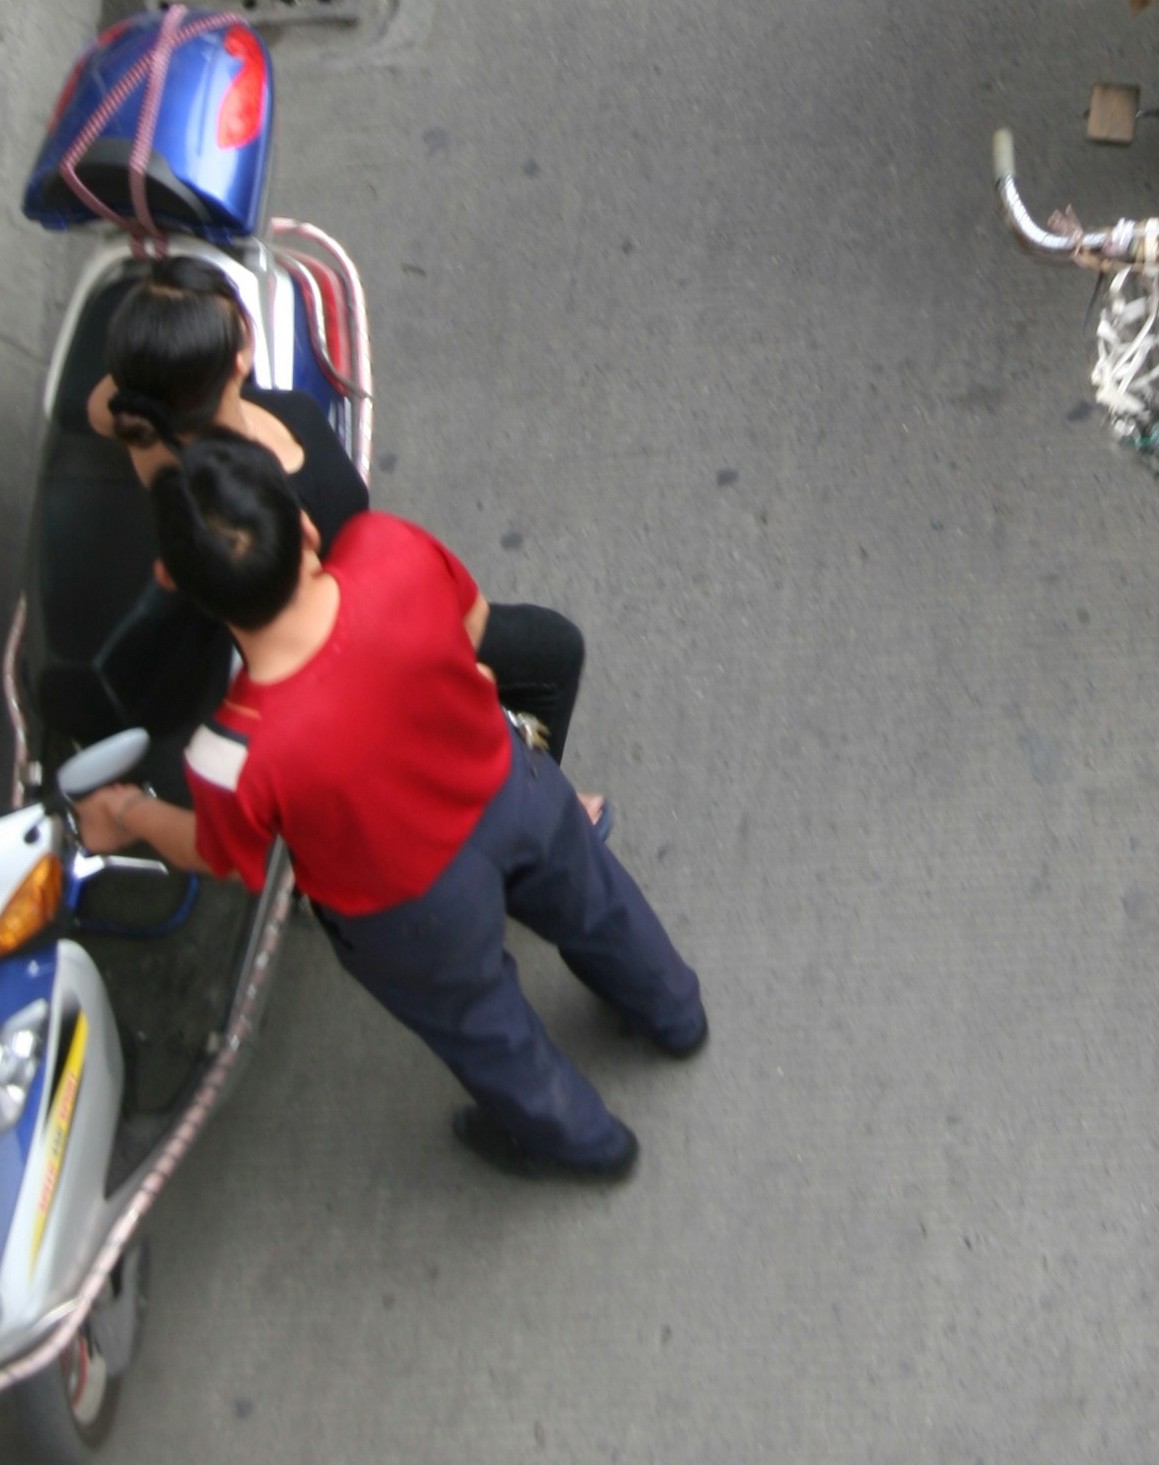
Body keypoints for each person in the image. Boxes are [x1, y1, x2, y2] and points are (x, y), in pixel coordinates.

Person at [73, 435, 705, 1181]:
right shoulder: (388, 547)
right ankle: (672, 1011)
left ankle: (583, 1142)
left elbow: (218, 854)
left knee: (481, 1024)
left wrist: (127, 815)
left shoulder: (229, 751)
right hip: (514, 790)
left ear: (174, 580)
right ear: (305, 529)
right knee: (597, 902)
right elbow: (471, 630)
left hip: (410, 910)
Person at [90, 255, 590, 774]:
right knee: (555, 649)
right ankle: (541, 789)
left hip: (356, 600)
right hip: (366, 632)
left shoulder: (156, 435)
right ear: (237, 361)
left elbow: (106, 403)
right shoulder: (254, 493)